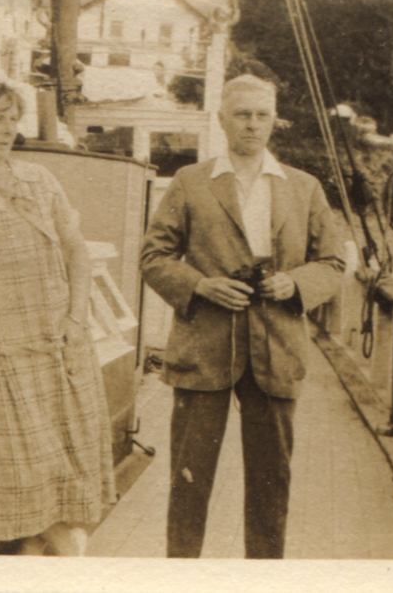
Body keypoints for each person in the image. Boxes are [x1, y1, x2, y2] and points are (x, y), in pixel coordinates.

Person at [140, 74, 345, 559]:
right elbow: (153, 257)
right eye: (242, 114)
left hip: (276, 351)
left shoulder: (303, 187)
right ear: (222, 119)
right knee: (189, 481)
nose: (252, 125)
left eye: (262, 115)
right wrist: (199, 285)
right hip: (204, 349)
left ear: (275, 120)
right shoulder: (192, 182)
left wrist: (295, 284)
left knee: (272, 485)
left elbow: (333, 263)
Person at [0, 74, 114, 556]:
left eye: (14, 118)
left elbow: (76, 252)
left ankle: (43, 563)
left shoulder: (39, 179)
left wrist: (76, 320)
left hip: (57, 352)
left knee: (61, 488)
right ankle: (72, 568)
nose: (10, 128)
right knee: (28, 482)